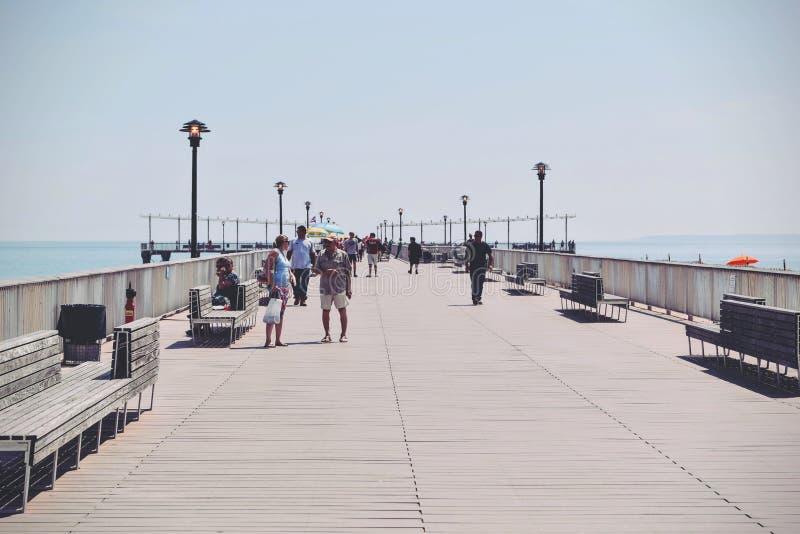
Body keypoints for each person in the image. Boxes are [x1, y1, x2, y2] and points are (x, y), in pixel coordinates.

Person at [313, 234, 352, 343]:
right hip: (325, 287)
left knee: (342, 310)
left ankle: (343, 334)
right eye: (325, 242)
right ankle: (327, 334)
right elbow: (315, 269)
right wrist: (324, 272)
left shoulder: (343, 254)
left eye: (329, 242)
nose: (326, 244)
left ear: (335, 243)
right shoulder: (321, 254)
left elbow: (348, 272)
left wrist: (349, 289)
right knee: (325, 310)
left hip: (339, 286)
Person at [263, 235, 296, 347]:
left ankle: (278, 339)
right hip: (277, 287)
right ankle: (268, 340)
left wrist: (292, 275)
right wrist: (272, 283)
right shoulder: (275, 252)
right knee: (273, 313)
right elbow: (266, 268)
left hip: (284, 287)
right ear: (283, 242)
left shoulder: (283, 253)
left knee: (280, 314)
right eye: (288, 242)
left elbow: (286, 267)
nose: (289, 244)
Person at [287, 225, 316, 306]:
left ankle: (303, 299)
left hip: (306, 266)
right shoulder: (293, 241)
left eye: (298, 231)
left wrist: (314, 265)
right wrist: (286, 263)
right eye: (297, 231)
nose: (297, 233)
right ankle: (297, 297)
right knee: (294, 282)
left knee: (304, 283)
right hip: (294, 266)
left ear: (304, 232)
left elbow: (312, 254)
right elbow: (289, 252)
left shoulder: (310, 241)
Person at [465, 230, 493, 305]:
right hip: (473, 267)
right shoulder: (471, 245)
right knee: (474, 283)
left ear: (481, 237)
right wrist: (466, 266)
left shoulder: (485, 245)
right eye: (475, 236)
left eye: (477, 236)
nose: (476, 237)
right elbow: (467, 256)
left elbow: (491, 256)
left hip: (482, 268)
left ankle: (478, 297)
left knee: (480, 283)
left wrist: (490, 265)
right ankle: (474, 298)